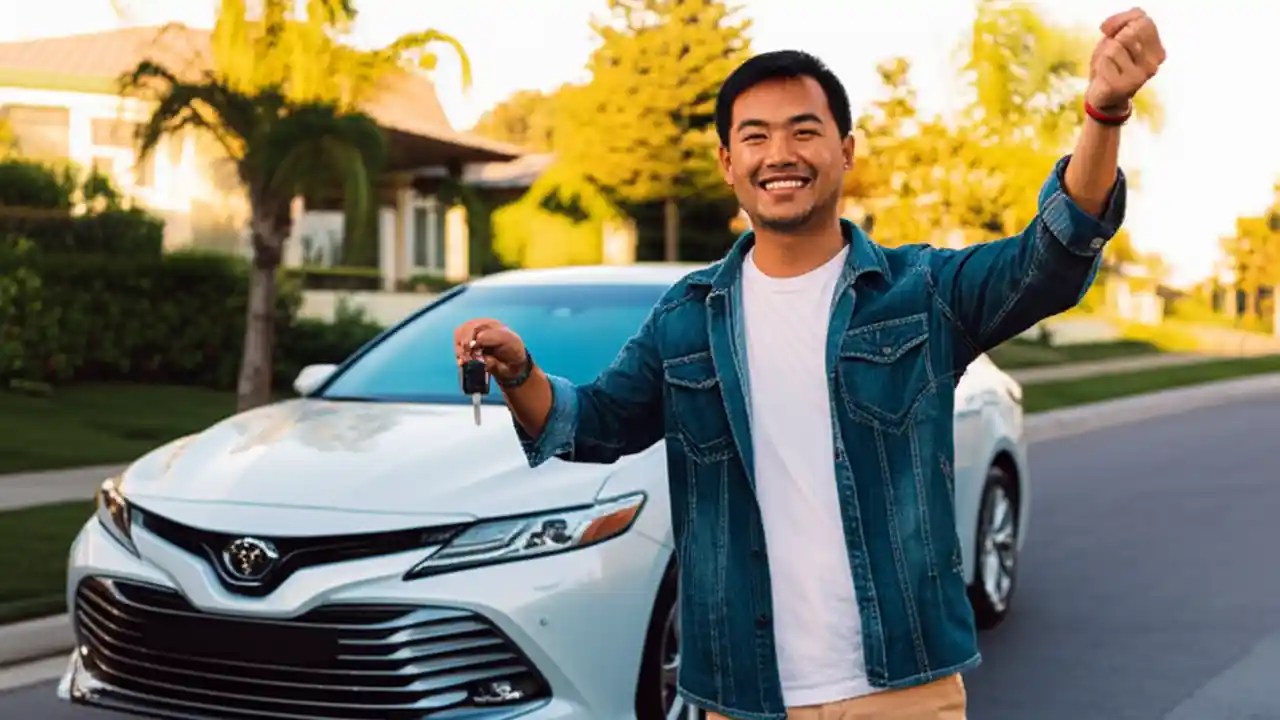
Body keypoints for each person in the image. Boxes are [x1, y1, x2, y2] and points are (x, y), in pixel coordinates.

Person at [453, 8, 1164, 719]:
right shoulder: (687, 318)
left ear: (846, 150)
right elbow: (590, 425)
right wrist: (520, 372)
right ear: (728, 163)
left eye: (804, 130)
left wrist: (1102, 114)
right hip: (743, 697)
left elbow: (1050, 260)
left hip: (903, 692)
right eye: (754, 136)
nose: (779, 154)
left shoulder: (920, 295)